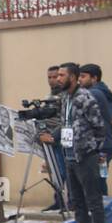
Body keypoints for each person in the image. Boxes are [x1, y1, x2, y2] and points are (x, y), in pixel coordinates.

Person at [56, 63, 108, 223]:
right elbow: (65, 124)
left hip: (85, 155)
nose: (58, 78)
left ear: (74, 77)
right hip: (69, 155)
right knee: (77, 200)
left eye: (62, 75)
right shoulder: (65, 98)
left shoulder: (85, 97)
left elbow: (99, 126)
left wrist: (92, 148)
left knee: (93, 199)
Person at [78, 63, 112, 195]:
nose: (80, 80)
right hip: (107, 143)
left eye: (83, 76)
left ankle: (101, 212)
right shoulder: (106, 93)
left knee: (95, 182)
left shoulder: (93, 93)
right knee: (100, 179)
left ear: (94, 78)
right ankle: (103, 211)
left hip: (99, 145)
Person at [38, 65, 68, 212]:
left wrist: (53, 135)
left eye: (55, 77)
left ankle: (70, 201)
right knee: (54, 173)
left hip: (60, 139)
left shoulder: (65, 96)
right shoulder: (49, 96)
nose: (52, 80)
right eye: (49, 77)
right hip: (48, 140)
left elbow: (65, 120)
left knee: (63, 172)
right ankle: (58, 200)